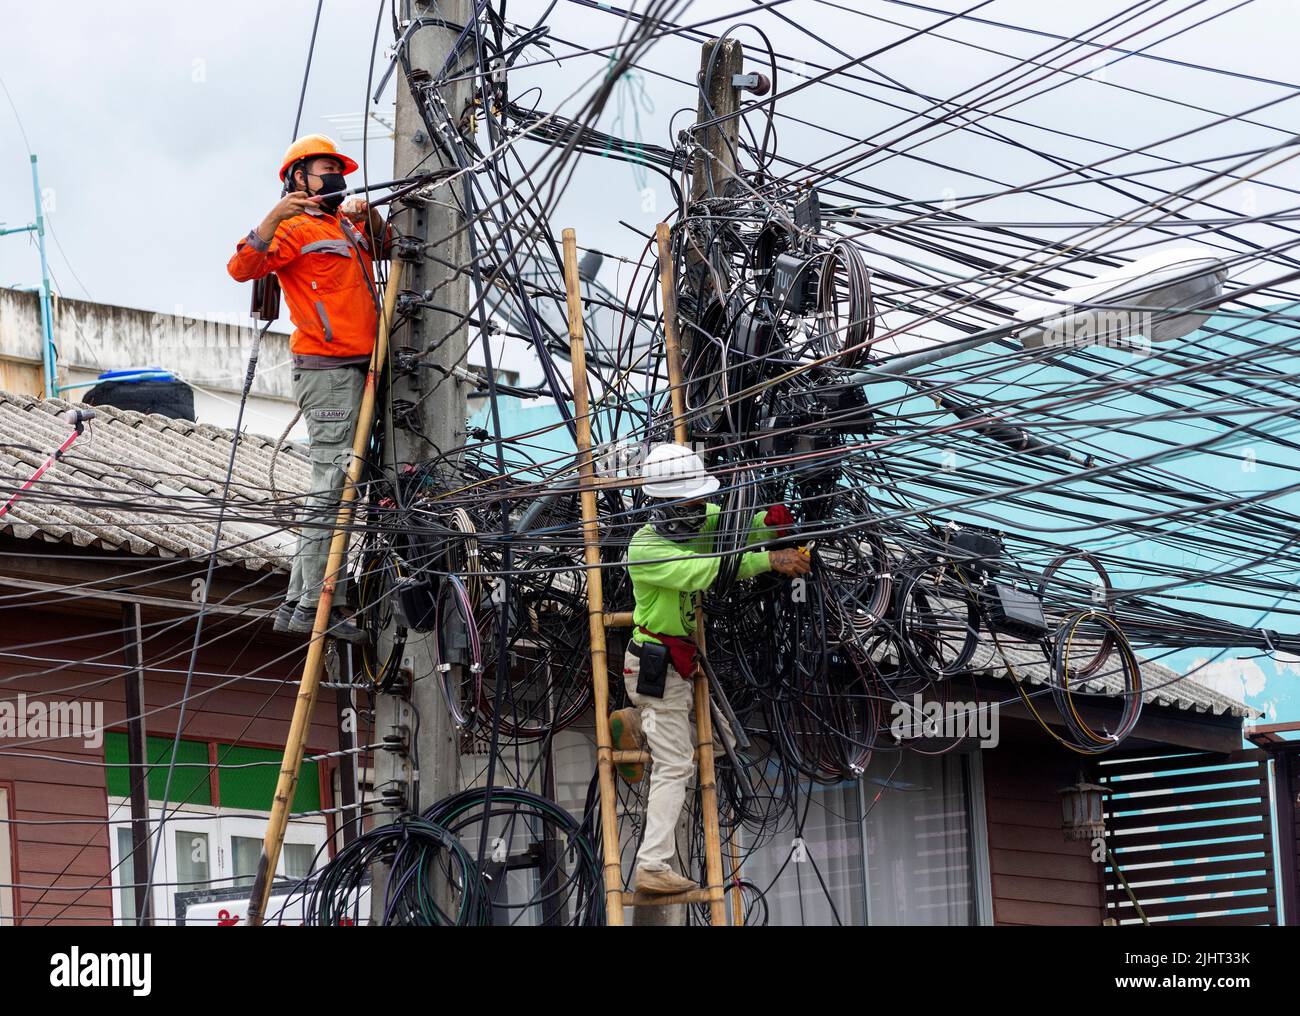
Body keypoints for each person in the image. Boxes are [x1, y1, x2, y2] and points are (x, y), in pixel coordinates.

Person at [611, 443, 810, 895]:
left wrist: (769, 525)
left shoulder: (700, 521)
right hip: (654, 667)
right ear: (667, 504)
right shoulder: (645, 548)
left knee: (722, 745)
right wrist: (769, 559)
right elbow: (704, 572)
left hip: (683, 664)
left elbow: (735, 528)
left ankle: (641, 725)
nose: (702, 506)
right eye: (693, 500)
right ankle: (651, 864)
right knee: (677, 763)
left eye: (702, 499)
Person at [227, 134, 390, 642]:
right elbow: (241, 267)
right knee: (334, 490)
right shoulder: (295, 228)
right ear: (298, 179)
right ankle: (323, 604)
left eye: (338, 171)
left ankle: (298, 605)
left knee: (340, 489)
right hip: (329, 372)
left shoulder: (343, 223)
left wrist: (372, 217)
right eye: (325, 171)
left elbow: (388, 250)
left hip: (364, 366)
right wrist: (274, 216)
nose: (336, 179)